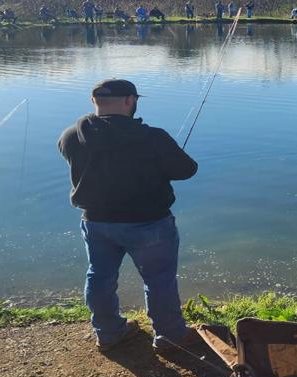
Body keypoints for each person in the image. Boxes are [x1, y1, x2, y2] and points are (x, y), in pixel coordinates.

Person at [57, 79, 200, 354]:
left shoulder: (71, 135)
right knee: (159, 279)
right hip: (150, 223)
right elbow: (187, 170)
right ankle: (169, 336)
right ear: (129, 101)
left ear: (94, 101)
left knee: (99, 276)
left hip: (96, 223)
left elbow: (73, 160)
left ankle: (108, 333)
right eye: (135, 100)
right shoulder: (153, 137)